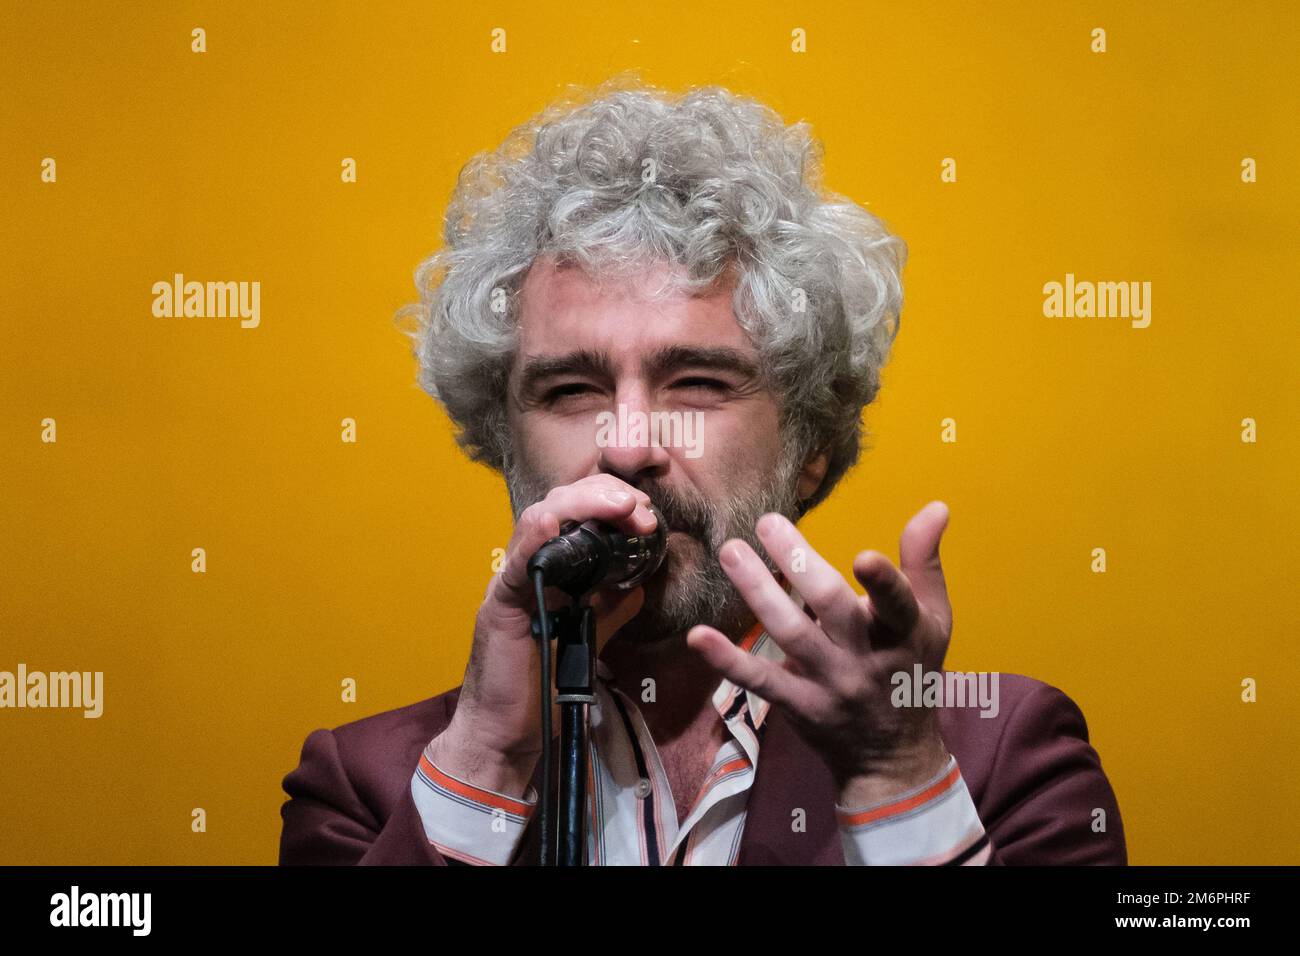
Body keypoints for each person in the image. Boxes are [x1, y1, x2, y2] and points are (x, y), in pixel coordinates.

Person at [279, 77, 1126, 866]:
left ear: (811, 448)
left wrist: (893, 779)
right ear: (505, 443)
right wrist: (490, 754)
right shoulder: (367, 786)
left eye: (699, 383)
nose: (629, 442)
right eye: (573, 389)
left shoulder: (1002, 757)